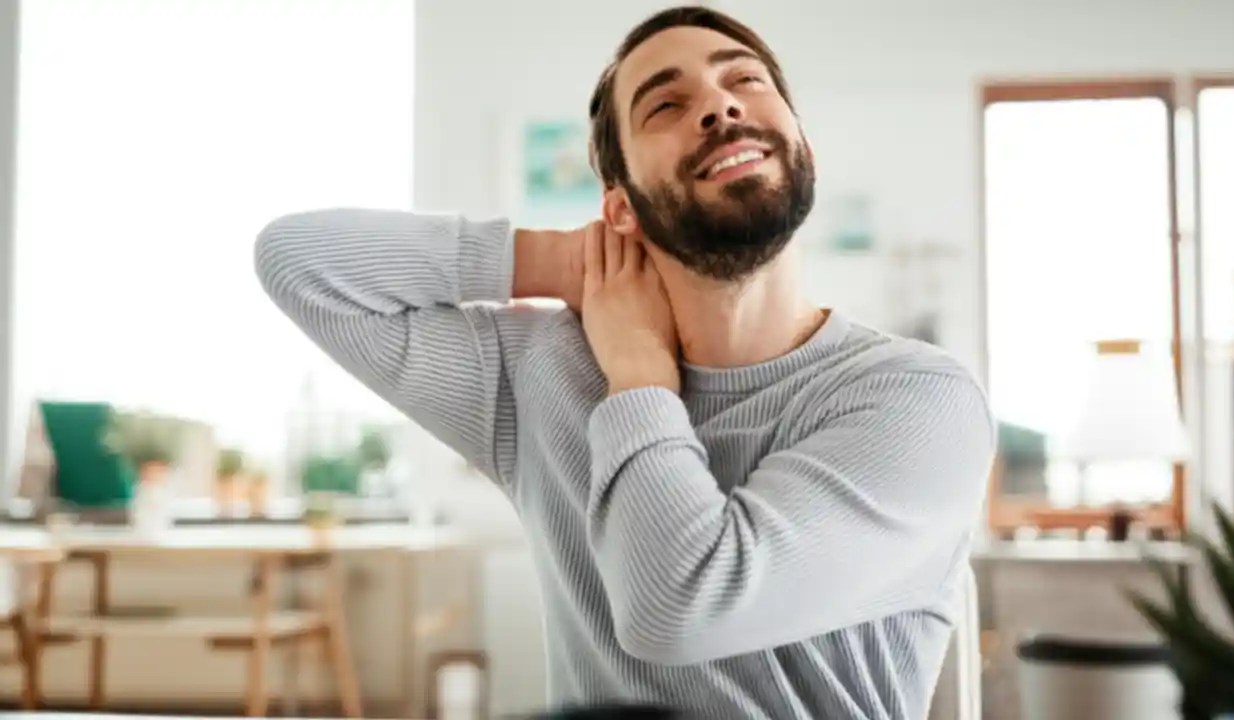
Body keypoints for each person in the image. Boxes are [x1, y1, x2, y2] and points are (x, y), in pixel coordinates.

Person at [255, 5, 995, 718]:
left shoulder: (916, 400)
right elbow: (299, 263)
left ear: (804, 147)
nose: (718, 106)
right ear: (621, 207)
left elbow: (680, 608)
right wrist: (566, 262)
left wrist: (639, 372)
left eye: (744, 81)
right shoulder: (546, 374)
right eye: (665, 106)